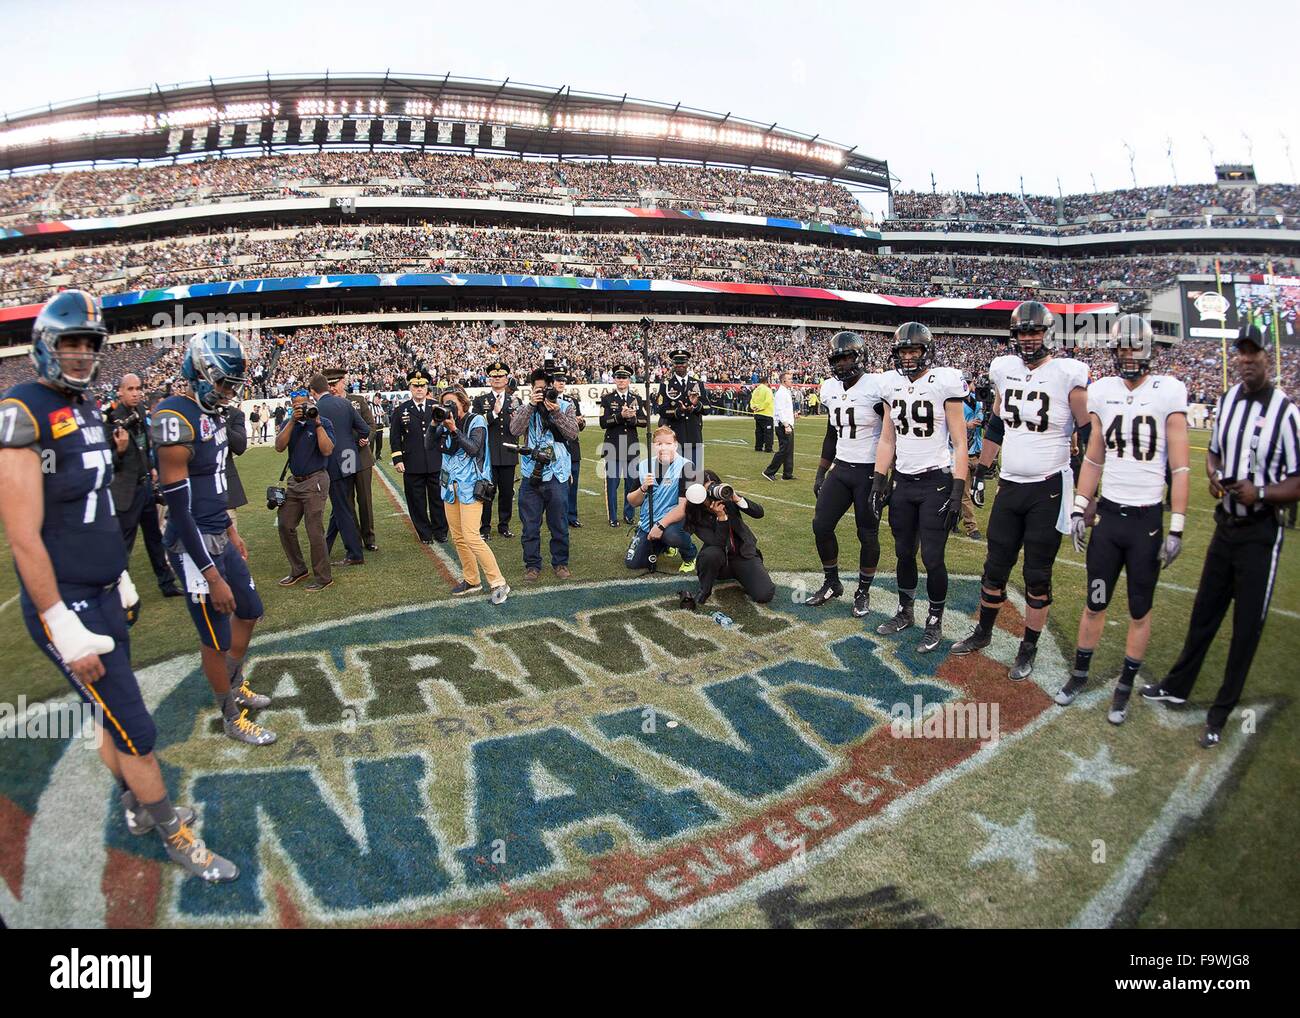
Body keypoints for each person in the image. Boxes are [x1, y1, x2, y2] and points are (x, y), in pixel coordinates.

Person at [0, 289, 238, 882]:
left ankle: (136, 804)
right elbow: (24, 535)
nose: (81, 355)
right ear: (45, 345)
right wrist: (60, 620)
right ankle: (173, 833)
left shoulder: (85, 407)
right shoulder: (23, 411)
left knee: (112, 719)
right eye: (70, 343)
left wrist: (121, 572)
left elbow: (102, 508)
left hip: (104, 589)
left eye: (89, 344)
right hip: (69, 602)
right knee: (137, 728)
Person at [1142, 323, 1300, 748]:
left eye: (1255, 353)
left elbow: (1299, 478)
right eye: (1241, 353)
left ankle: (1220, 713)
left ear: (1269, 357)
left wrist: (1262, 493)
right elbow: (1213, 450)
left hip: (1261, 532)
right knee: (1204, 611)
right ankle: (1177, 685)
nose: (1247, 360)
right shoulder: (1229, 399)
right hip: (1225, 525)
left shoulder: (1287, 412)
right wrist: (1213, 474)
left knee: (1246, 627)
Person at [1055, 315, 1190, 725]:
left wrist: (1177, 526)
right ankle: (1079, 674)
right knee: (1095, 601)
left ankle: (1124, 687)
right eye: (1122, 348)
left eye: (1135, 347)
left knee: (1138, 609)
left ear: (1148, 349)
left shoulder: (1168, 392)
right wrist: (1080, 506)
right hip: (1110, 520)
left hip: (1146, 522)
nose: (1128, 356)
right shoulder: (1103, 391)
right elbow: (1094, 456)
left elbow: (1181, 468)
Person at [952, 301, 1090, 679]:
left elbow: (1089, 434)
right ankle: (983, 632)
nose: (1028, 340)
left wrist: (1086, 494)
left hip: (1049, 487)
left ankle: (1028, 647)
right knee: (994, 566)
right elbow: (996, 425)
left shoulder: (1068, 375)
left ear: (1048, 333)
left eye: (1035, 332)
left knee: (1037, 573)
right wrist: (981, 472)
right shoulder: (1005, 370)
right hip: (1010, 485)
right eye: (1022, 333)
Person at [152, 329, 275, 746]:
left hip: (218, 531)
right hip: (194, 544)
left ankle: (234, 680)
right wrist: (210, 572)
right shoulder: (174, 417)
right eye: (223, 383)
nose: (227, 393)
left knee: (250, 609)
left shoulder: (213, 414)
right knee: (214, 635)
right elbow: (180, 507)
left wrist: (232, 527)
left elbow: (215, 485)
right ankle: (229, 714)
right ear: (202, 373)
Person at [873, 322, 970, 653]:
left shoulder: (943, 382)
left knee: (932, 556)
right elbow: (888, 438)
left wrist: (958, 489)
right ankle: (905, 612)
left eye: (914, 350)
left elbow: (959, 440)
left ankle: (934, 620)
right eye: (904, 351)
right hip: (903, 482)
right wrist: (878, 479)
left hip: (936, 482)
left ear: (927, 351)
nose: (909, 356)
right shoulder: (891, 385)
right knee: (903, 553)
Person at [807, 332, 889, 616]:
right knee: (821, 525)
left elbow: (891, 433)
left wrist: (884, 477)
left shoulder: (877, 387)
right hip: (841, 468)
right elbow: (831, 433)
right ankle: (832, 582)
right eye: (837, 359)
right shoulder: (829, 388)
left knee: (867, 534)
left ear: (860, 357)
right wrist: (821, 471)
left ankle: (863, 591)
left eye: (847, 357)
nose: (842, 364)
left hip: (868, 471)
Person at [106, 372, 181, 598]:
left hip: (145, 487)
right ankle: (120, 591)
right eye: (130, 389)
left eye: (138, 388)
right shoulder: (111, 419)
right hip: (125, 491)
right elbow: (106, 461)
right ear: (119, 392)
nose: (136, 393)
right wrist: (118, 452)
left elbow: (143, 445)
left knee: (155, 540)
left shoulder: (139, 412)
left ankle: (167, 584)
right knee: (124, 545)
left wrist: (151, 467)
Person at [435, 385, 510, 603]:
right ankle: (472, 580)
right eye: (445, 403)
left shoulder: (476, 420)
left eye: (452, 403)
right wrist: (434, 424)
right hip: (450, 486)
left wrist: (453, 429)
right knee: (458, 537)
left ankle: (499, 582)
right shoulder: (442, 423)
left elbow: (474, 448)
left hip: (471, 485)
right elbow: (429, 444)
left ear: (463, 403)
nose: (448, 407)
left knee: (471, 536)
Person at [510, 367, 579, 580]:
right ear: (531, 389)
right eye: (538, 389)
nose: (542, 393)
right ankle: (532, 565)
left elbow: (573, 433)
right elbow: (515, 430)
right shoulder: (525, 407)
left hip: (557, 474)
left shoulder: (566, 406)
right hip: (532, 473)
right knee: (530, 524)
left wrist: (555, 411)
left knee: (558, 523)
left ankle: (560, 563)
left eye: (546, 388)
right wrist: (531, 405)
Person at [275, 387, 335, 591]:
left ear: (311, 402)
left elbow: (327, 450)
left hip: (315, 479)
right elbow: (279, 446)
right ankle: (298, 568)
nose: (300, 407)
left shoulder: (323, 422)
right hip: (295, 482)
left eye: (304, 403)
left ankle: (323, 577)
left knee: (314, 530)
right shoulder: (288, 423)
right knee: (285, 524)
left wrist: (316, 423)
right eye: (296, 405)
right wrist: (292, 421)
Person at [683, 470, 774, 605]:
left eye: (714, 486)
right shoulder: (696, 513)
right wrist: (721, 517)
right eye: (707, 489)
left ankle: (743, 573)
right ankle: (705, 590)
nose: (713, 491)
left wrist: (737, 499)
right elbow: (718, 543)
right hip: (719, 558)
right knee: (711, 554)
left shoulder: (726, 499)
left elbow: (759, 513)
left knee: (764, 594)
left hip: (742, 553)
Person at [625, 425, 699, 573]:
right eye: (659, 444)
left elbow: (683, 508)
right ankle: (664, 544)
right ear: (653, 446)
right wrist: (643, 488)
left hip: (676, 518)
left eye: (668, 443)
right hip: (649, 520)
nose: (663, 447)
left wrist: (660, 526)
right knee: (634, 563)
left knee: (672, 536)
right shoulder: (645, 466)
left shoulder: (686, 467)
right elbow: (632, 501)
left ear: (676, 445)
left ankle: (690, 555)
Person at [316, 368, 370, 566]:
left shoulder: (318, 408)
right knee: (341, 505)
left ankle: (354, 553)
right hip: (349, 457)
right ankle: (326, 547)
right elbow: (364, 429)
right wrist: (350, 443)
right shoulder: (346, 403)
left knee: (342, 506)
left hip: (332, 460)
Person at [390, 370, 448, 545]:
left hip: (435, 461)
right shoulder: (401, 410)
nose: (419, 389)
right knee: (417, 501)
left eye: (422, 386)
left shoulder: (436, 407)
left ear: (427, 387)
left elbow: (446, 433)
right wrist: (398, 460)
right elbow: (395, 437)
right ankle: (424, 532)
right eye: (416, 386)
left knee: (438, 499)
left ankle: (440, 532)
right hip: (412, 463)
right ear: (410, 387)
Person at [471, 359, 519, 539]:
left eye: (501, 376)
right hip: (488, 455)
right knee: (487, 492)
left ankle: (504, 526)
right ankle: (484, 528)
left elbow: (518, 428)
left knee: (506, 493)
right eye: (494, 376)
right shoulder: (480, 400)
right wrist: (493, 413)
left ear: (507, 379)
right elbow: (476, 425)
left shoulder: (515, 400)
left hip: (508, 454)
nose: (498, 378)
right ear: (489, 379)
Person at [599, 364, 647, 527]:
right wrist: (620, 416)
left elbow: (644, 421)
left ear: (629, 380)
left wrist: (632, 419)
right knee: (612, 486)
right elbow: (603, 422)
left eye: (624, 377)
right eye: (618, 377)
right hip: (613, 448)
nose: (621, 380)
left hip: (631, 448)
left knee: (631, 484)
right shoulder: (607, 398)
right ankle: (613, 517)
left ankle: (629, 514)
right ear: (614, 379)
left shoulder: (637, 398)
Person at [656, 348, 708, 475]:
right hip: (674, 437)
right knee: (672, 476)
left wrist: (696, 406)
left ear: (687, 363)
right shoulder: (666, 384)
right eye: (677, 363)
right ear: (673, 364)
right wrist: (678, 411)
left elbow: (707, 407)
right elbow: (661, 409)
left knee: (694, 476)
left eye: (682, 362)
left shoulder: (697, 383)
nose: (680, 365)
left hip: (694, 436)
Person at [344, 378, 378, 551]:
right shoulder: (328, 404)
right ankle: (354, 537)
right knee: (348, 500)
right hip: (345, 457)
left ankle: (369, 538)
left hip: (362, 455)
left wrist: (367, 439)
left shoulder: (357, 400)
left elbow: (372, 425)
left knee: (365, 499)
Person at [553, 366, 587, 528]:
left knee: (572, 486)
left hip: (572, 448)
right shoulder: (547, 400)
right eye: (558, 380)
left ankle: (572, 516)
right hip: (555, 448)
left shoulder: (571, 401)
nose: (561, 383)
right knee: (556, 486)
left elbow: (579, 427)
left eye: (563, 381)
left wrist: (581, 422)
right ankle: (557, 517)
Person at [959, 376, 985, 541]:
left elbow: (983, 420)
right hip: (961, 453)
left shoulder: (979, 402)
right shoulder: (955, 403)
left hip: (977, 451)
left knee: (978, 490)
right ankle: (971, 526)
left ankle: (953, 518)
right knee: (964, 492)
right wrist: (965, 425)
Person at [762, 371, 797, 482]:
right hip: (783, 425)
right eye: (790, 379)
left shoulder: (785, 392)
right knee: (784, 449)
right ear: (784, 380)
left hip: (787, 424)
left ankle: (787, 473)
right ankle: (769, 471)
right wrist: (786, 424)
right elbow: (780, 410)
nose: (792, 381)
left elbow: (785, 409)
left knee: (789, 449)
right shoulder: (781, 393)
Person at [750, 377, 774, 452]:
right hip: (766, 413)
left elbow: (752, 401)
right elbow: (768, 401)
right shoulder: (767, 390)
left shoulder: (756, 390)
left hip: (757, 414)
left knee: (759, 432)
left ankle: (758, 447)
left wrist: (754, 408)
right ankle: (768, 448)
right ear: (767, 382)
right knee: (768, 432)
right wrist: (760, 407)